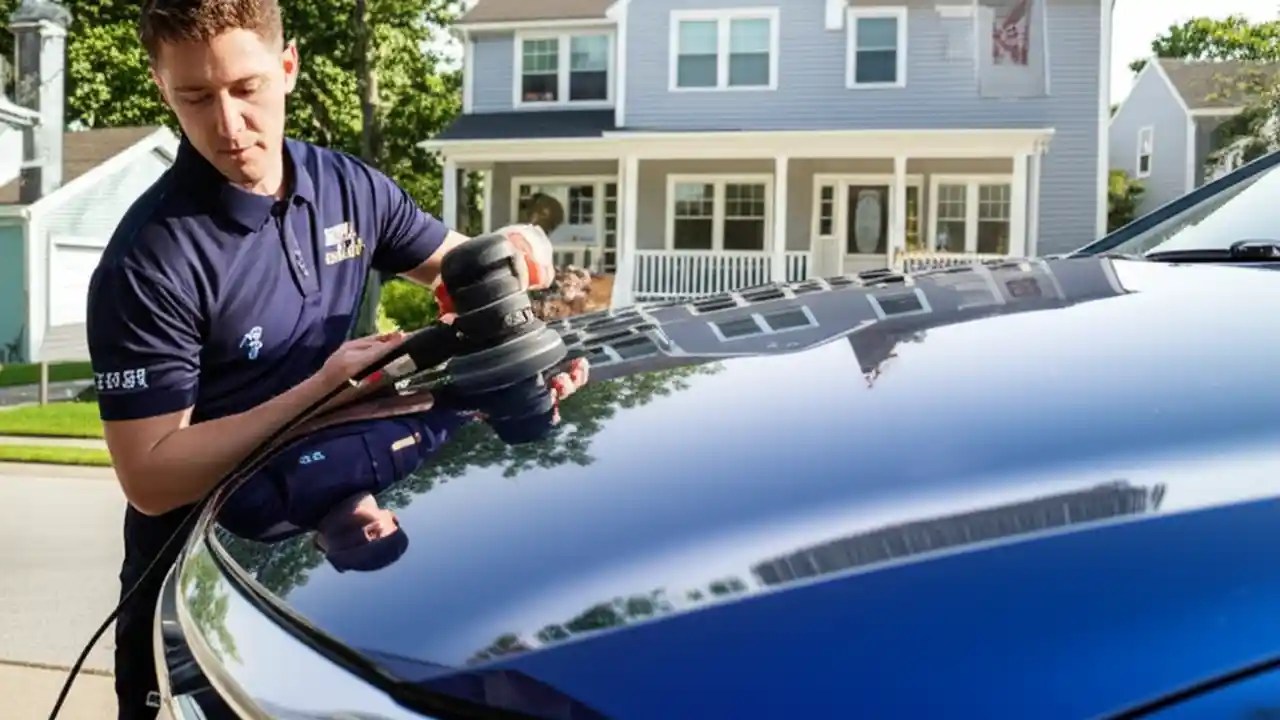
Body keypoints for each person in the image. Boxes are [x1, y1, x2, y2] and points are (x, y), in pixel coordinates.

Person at [84, 1, 588, 717]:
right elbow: (152, 477)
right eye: (195, 97)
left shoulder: (348, 188)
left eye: (247, 88)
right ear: (163, 90)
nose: (228, 126)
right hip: (201, 597)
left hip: (332, 578)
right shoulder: (150, 262)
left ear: (287, 67)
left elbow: (462, 276)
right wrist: (323, 391)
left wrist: (519, 303)